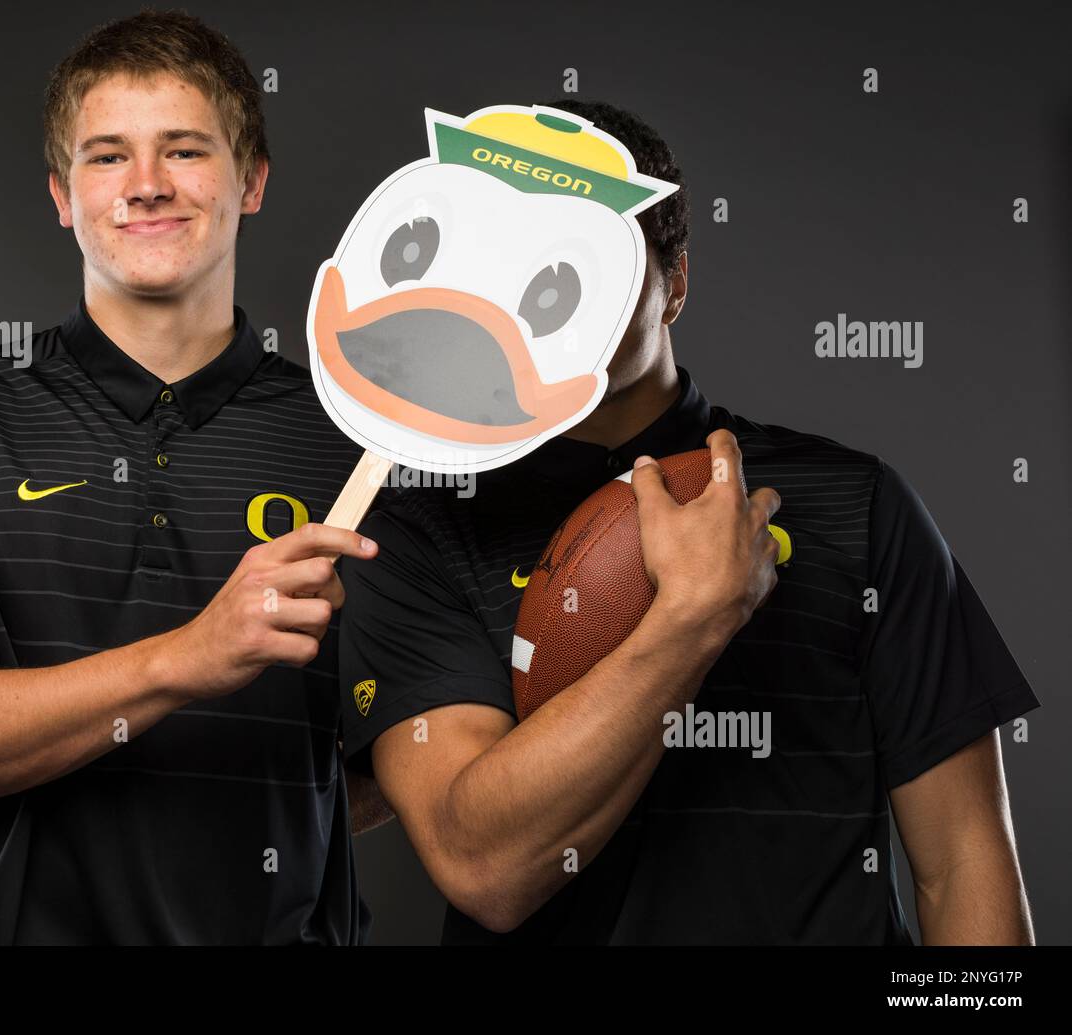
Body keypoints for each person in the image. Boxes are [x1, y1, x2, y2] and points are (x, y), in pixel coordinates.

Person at [338, 99, 1040, 945]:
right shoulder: (421, 529)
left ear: (674, 282)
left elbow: (961, 859)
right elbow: (485, 866)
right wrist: (690, 621)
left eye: (586, 261)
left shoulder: (856, 504)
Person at [0, 9, 389, 945]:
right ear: (61, 195)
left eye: (186, 151)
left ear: (253, 181)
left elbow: (385, 755)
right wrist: (184, 659)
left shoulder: (356, 435)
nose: (148, 186)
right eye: (108, 156)